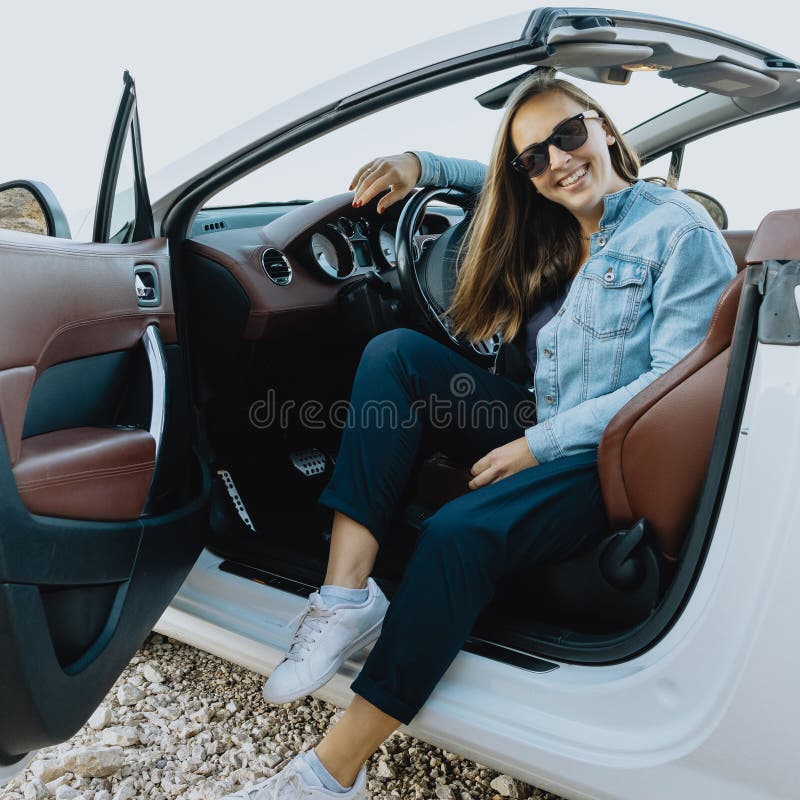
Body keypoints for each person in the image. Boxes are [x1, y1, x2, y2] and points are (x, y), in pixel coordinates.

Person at [221, 71, 737, 799]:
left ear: (604, 127)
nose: (558, 161)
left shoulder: (677, 231)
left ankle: (329, 775)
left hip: (613, 455)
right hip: (545, 413)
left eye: (569, 134)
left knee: (458, 532)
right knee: (395, 356)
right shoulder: (560, 221)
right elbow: (493, 179)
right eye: (535, 157)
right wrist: (420, 166)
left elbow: (671, 389)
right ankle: (345, 598)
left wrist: (536, 446)